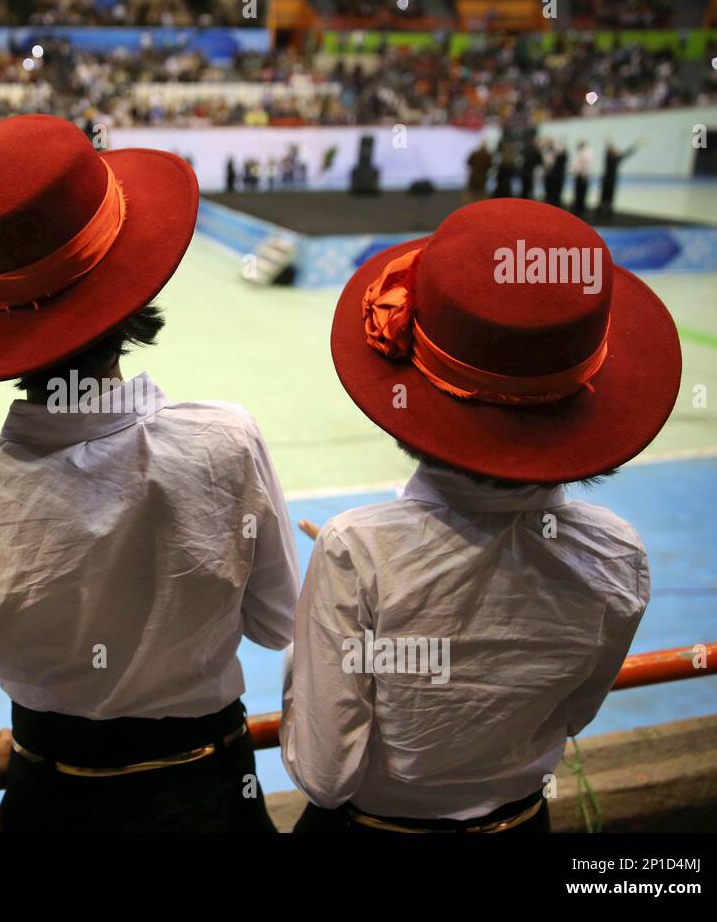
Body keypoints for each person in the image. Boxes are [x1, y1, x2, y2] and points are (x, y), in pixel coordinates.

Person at [0, 114, 299, 833]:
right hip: (214, 797)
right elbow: (277, 621)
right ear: (129, 291)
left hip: (54, 801)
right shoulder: (227, 441)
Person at [282, 198, 680, 834]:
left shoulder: (354, 550)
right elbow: (572, 713)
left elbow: (326, 776)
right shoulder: (617, 552)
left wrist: (325, 615)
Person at [596, 140, 640, 220]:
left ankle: (608, 214)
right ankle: (600, 213)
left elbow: (627, 153)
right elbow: (609, 149)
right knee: (603, 197)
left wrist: (636, 145)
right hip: (606, 180)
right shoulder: (608, 158)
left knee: (610, 198)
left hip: (612, 181)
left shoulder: (617, 159)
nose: (617, 151)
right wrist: (608, 141)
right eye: (615, 150)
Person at [570, 140, 593, 216]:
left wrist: (584, 175)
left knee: (581, 193)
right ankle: (578, 208)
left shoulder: (586, 153)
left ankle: (580, 210)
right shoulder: (581, 152)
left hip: (583, 176)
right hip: (580, 175)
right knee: (578, 193)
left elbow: (585, 166)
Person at [543, 140, 568, 209]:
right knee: (549, 194)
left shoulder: (562, 156)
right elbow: (547, 163)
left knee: (556, 194)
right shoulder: (547, 152)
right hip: (550, 176)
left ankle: (556, 207)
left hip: (557, 177)